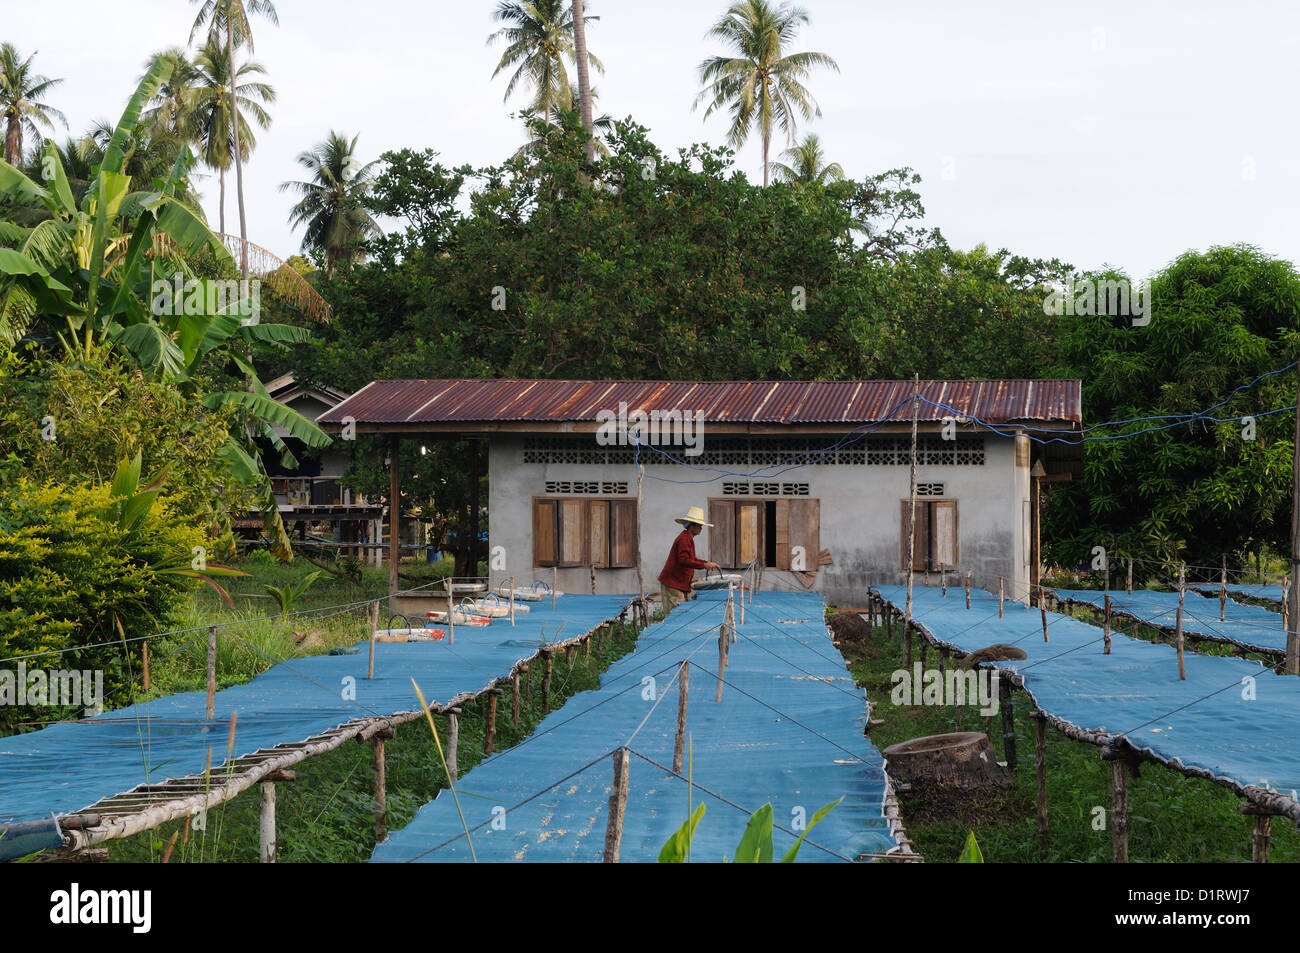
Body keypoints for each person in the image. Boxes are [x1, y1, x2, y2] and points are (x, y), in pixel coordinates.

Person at [657, 506, 719, 613]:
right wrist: (704, 565)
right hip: (673, 583)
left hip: (678, 582)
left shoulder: (687, 538)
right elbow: (684, 560)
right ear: (691, 526)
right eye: (699, 526)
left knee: (679, 613)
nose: (701, 529)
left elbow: (692, 559)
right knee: (675, 615)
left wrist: (706, 563)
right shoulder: (684, 539)